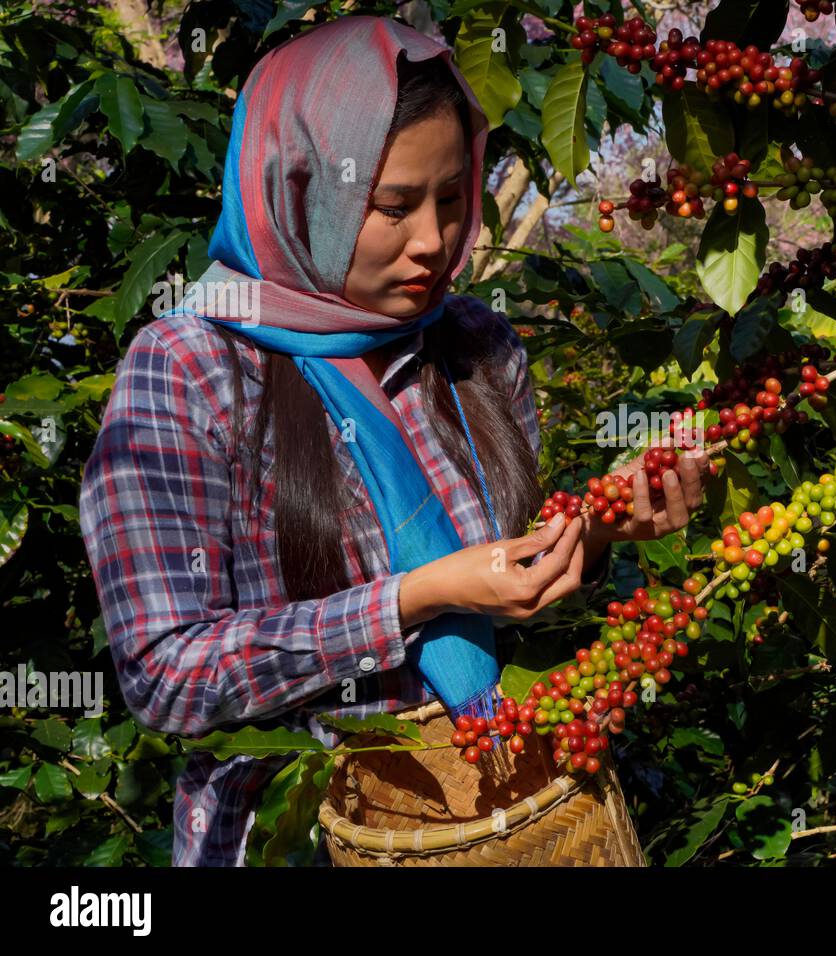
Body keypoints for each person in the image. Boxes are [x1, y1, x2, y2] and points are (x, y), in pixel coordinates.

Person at [78, 15, 707, 866]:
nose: (433, 241)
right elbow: (165, 676)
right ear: (300, 189)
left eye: (453, 200)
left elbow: (505, 589)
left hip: (497, 823)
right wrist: (411, 599)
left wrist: (593, 535)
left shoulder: (478, 348)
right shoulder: (191, 369)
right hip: (306, 839)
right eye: (393, 206)